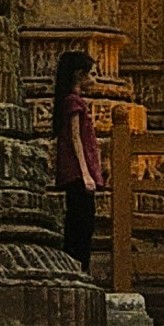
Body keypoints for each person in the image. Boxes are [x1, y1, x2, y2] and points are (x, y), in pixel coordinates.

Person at [49, 50, 105, 273]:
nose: (95, 79)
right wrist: (86, 174)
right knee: (82, 226)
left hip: (79, 174)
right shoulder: (73, 102)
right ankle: (79, 269)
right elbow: (75, 139)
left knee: (80, 223)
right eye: (92, 74)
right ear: (79, 75)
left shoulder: (74, 101)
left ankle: (78, 268)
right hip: (78, 175)